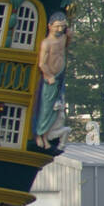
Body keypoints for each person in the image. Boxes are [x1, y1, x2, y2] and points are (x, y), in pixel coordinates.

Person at [35, 12, 71, 148]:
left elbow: (64, 49)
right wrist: (49, 76)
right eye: (57, 26)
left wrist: (70, 36)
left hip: (59, 77)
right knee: (46, 109)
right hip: (50, 79)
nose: (60, 29)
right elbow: (42, 64)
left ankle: (48, 135)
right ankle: (40, 135)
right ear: (49, 26)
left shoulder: (62, 38)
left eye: (62, 26)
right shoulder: (46, 43)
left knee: (56, 109)